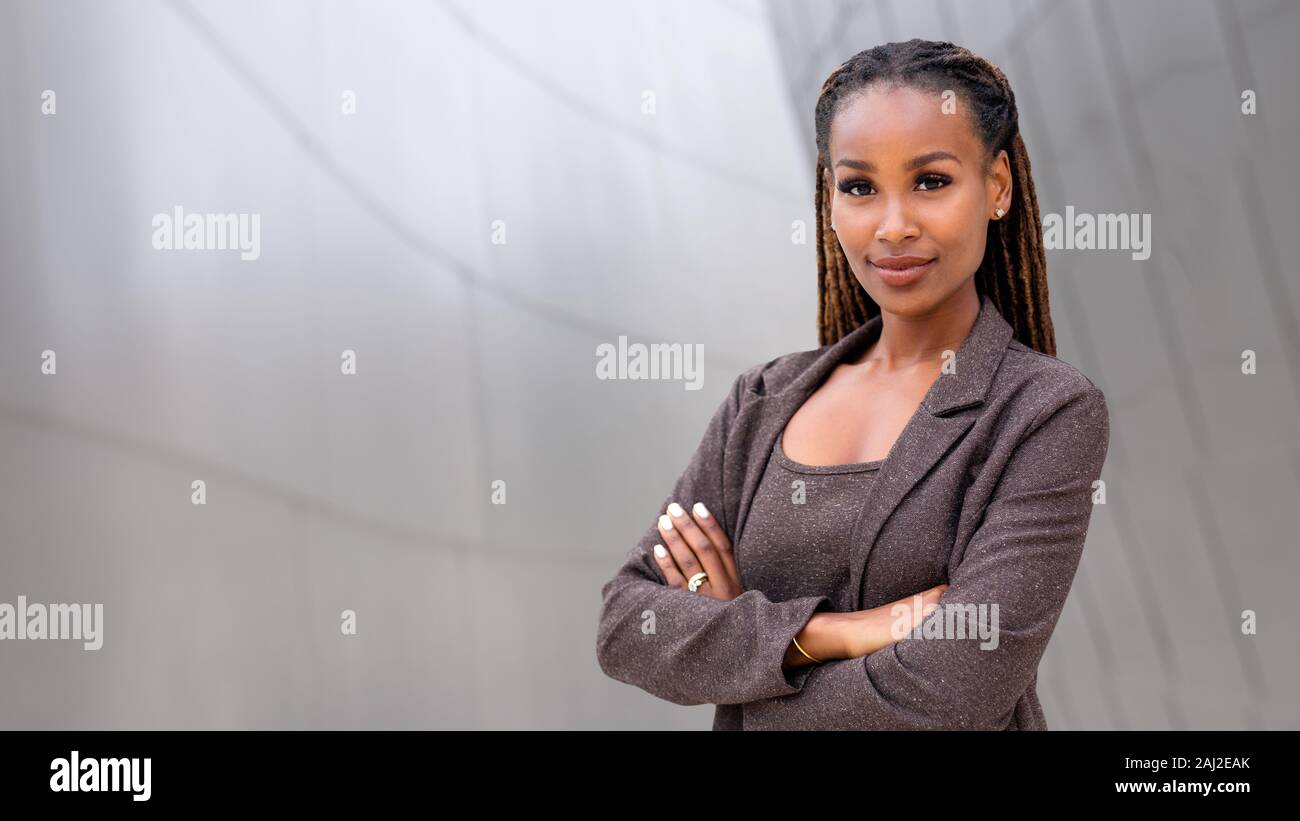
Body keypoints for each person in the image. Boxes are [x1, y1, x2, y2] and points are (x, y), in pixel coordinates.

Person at [595, 39, 1110, 730]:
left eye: (930, 181)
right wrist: (841, 631)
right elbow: (628, 625)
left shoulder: (1045, 411)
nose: (893, 226)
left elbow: (956, 685)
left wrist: (742, 658)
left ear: (996, 187)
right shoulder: (763, 400)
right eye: (860, 186)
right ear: (829, 199)